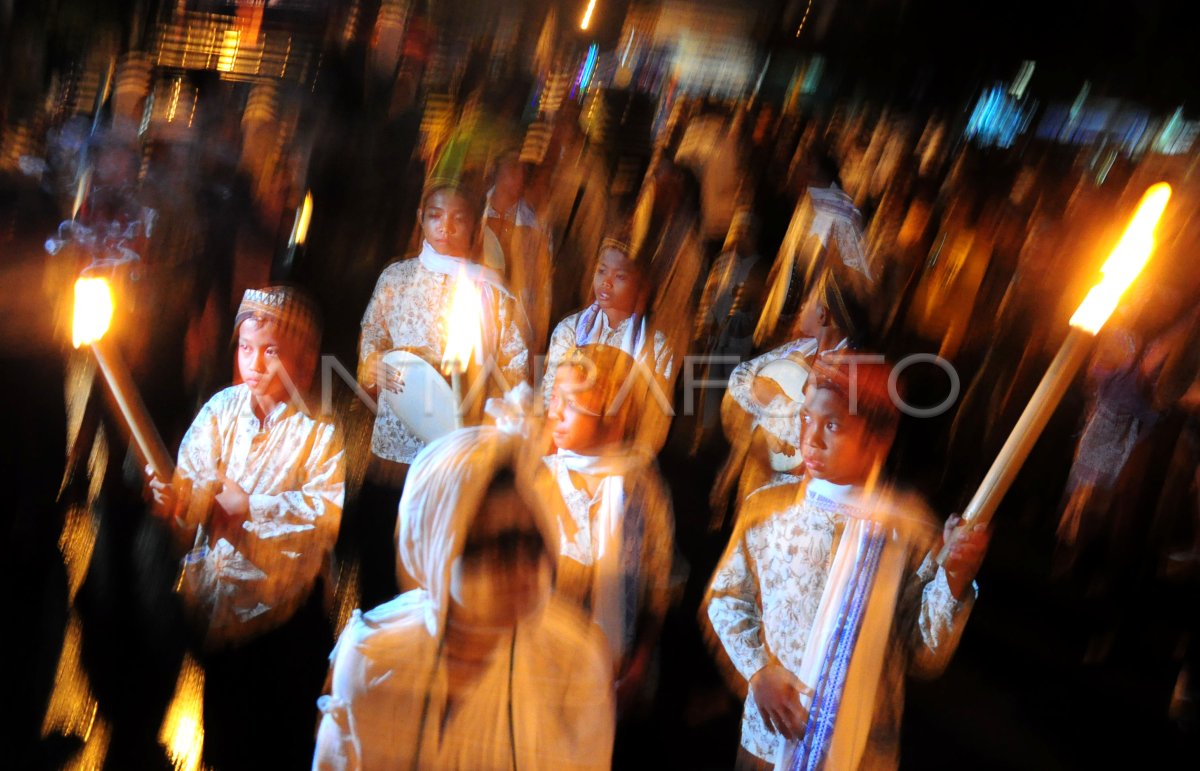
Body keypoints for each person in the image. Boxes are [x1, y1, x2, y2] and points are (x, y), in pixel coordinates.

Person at [705, 354, 988, 769]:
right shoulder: (769, 509)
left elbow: (923, 652)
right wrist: (758, 671)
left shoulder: (906, 530)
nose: (811, 438)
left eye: (833, 425)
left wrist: (954, 577)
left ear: (878, 439)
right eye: (806, 418)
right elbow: (727, 597)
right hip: (770, 739)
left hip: (859, 748)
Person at [313, 428, 614, 770]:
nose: (520, 567)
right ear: (434, 547)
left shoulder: (571, 665)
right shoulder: (374, 658)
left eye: (531, 541)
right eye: (494, 545)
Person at [147, 285, 345, 770]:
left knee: (282, 742)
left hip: (289, 619)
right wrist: (178, 502)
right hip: (226, 616)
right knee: (227, 739)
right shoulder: (220, 411)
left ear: (304, 361)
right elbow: (193, 483)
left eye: (271, 351)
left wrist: (250, 506)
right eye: (246, 347)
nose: (254, 363)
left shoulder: (319, 430)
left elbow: (324, 514)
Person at [357, 174, 531, 603]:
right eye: (435, 216)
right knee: (382, 562)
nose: (446, 228)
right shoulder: (396, 278)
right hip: (394, 453)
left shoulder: (492, 294)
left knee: (438, 571)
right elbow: (372, 336)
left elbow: (516, 371)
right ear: (421, 218)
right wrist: (373, 364)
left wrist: (485, 412)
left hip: (456, 457)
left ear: (475, 225)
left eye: (458, 219)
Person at [536, 344, 675, 708]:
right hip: (542, 675)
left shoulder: (641, 484)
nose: (554, 412)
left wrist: (639, 662)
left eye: (571, 403)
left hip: (616, 677)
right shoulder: (538, 480)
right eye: (554, 397)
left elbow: (658, 582)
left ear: (615, 413)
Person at [541, 235, 674, 414]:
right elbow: (549, 394)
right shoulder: (570, 329)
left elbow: (654, 411)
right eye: (602, 270)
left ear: (640, 285)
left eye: (620, 276)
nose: (606, 282)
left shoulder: (656, 346)